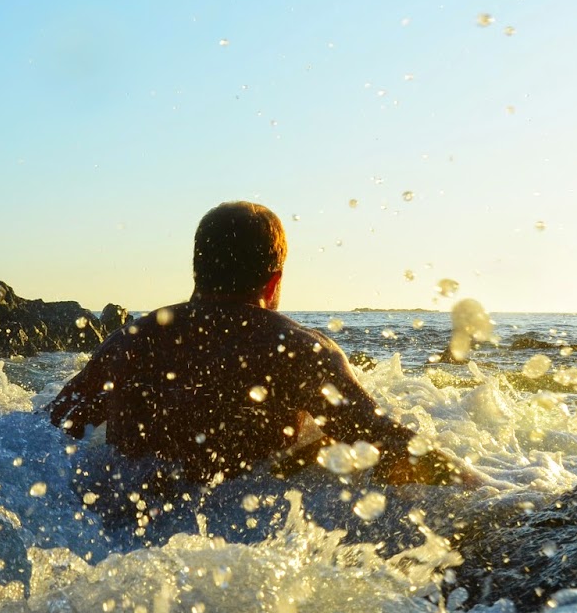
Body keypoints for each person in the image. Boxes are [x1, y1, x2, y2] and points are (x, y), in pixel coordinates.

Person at [46, 201, 480, 488]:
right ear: (273, 280)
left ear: (198, 269)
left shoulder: (129, 342)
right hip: (235, 542)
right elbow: (391, 441)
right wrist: (494, 493)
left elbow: (43, 435)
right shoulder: (297, 350)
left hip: (116, 527)